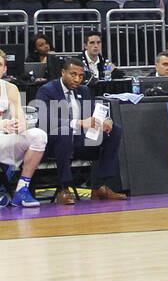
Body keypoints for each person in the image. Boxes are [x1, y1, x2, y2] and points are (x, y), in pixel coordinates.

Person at [34, 56, 126, 203]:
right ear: (63, 72)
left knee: (114, 130)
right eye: (73, 74)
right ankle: (64, 189)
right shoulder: (47, 90)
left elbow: (95, 112)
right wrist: (79, 123)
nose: (77, 79)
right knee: (64, 132)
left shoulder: (84, 90)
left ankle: (99, 185)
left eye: (81, 76)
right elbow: (46, 121)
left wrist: (106, 120)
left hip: (78, 141)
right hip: (53, 143)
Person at [1, 52, 47, 207]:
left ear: (4, 69)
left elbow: (21, 119)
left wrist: (20, 125)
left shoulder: (10, 89)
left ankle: (22, 190)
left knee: (38, 135)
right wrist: (2, 124)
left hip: (4, 139)